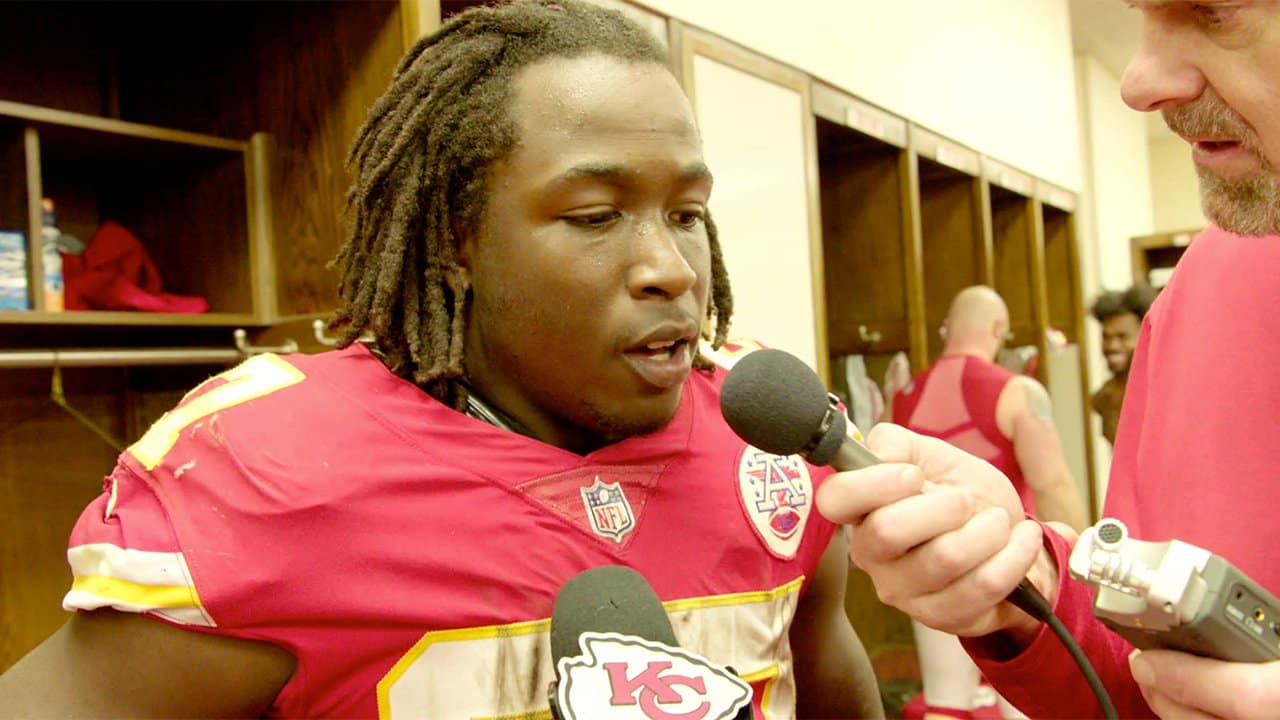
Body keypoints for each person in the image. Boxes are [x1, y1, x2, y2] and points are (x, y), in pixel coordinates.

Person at [0, 2, 884, 718]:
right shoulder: (270, 472)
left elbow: (827, 683)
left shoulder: (767, 436)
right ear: (456, 241)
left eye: (686, 212)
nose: (671, 269)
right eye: (594, 215)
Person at [816, 1, 1280, 718]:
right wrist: (1037, 588)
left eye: (1215, 10)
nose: (1137, 81)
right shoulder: (1202, 292)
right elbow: (1150, 668)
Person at [893, 286, 1086, 720]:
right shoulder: (1017, 392)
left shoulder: (904, 394)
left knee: (945, 701)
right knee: (1028, 702)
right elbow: (1054, 484)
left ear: (948, 329)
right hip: (1007, 571)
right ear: (998, 329)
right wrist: (1081, 571)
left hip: (930, 566)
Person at [1088, 283, 1158, 446]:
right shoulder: (1103, 398)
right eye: (1107, 337)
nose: (1112, 346)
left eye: (1122, 337)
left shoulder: (1162, 392)